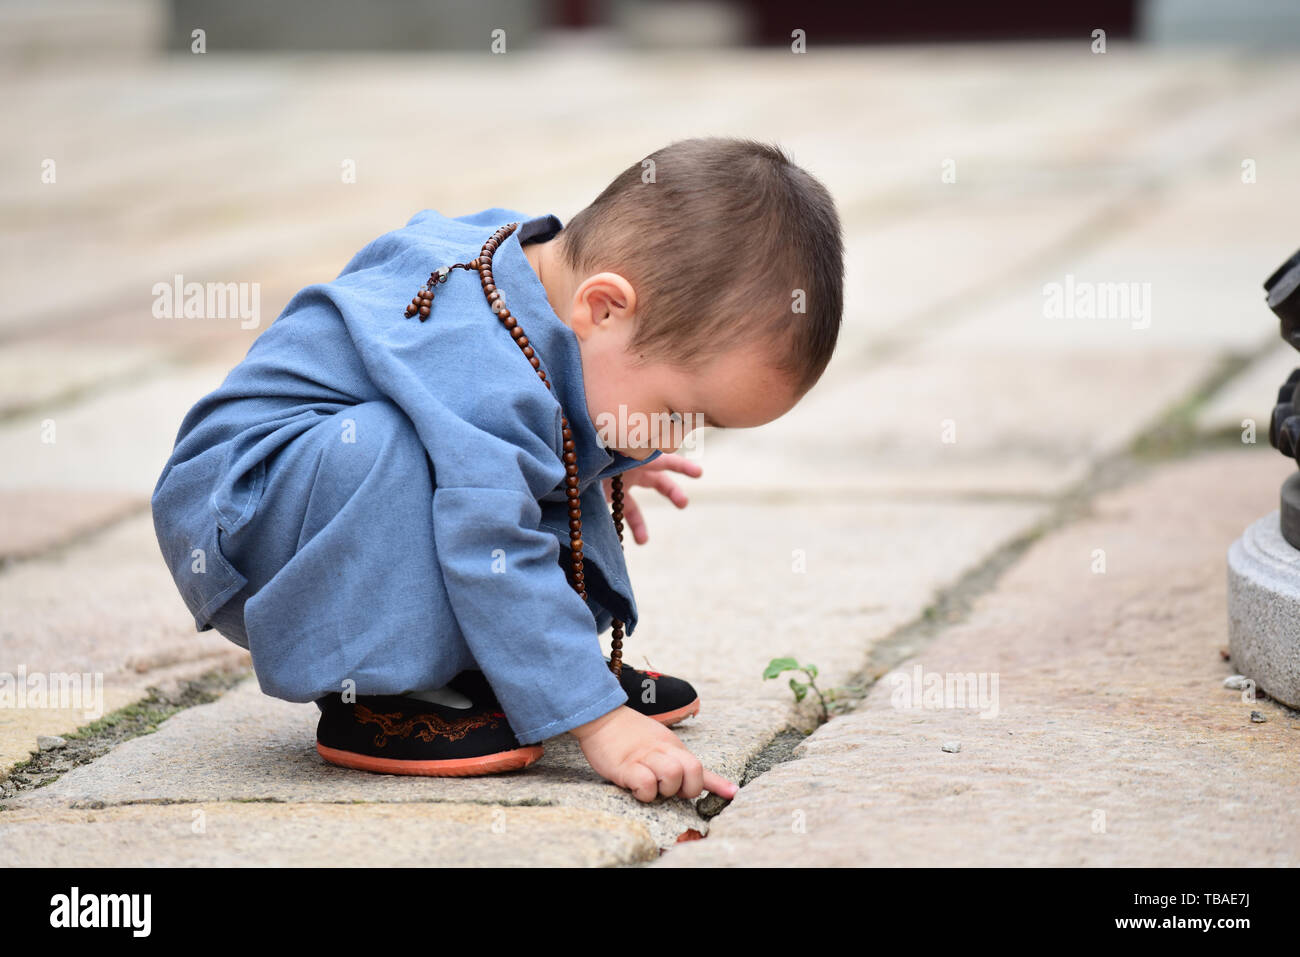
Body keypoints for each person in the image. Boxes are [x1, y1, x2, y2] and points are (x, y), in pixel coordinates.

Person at [151, 136, 844, 805]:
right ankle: (389, 692)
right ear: (603, 306)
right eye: (676, 409)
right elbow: (493, 542)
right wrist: (600, 722)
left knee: (529, 450)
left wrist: (623, 449)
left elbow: (557, 408)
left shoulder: (533, 278)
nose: (672, 434)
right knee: (425, 460)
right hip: (243, 516)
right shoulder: (481, 360)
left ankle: (516, 666)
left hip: (311, 496)